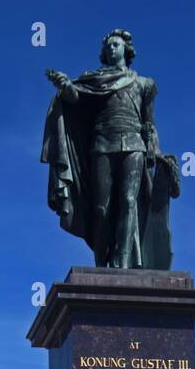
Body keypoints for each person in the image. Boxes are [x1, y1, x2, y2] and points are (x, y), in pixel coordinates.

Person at [42, 29, 180, 269]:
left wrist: (156, 153)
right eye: (108, 47)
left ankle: (123, 263)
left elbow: (149, 125)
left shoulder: (145, 84)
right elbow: (75, 99)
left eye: (115, 45)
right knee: (101, 206)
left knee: (128, 201)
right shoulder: (96, 80)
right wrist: (65, 86)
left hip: (134, 146)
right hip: (102, 145)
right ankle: (101, 265)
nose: (111, 49)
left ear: (126, 50)